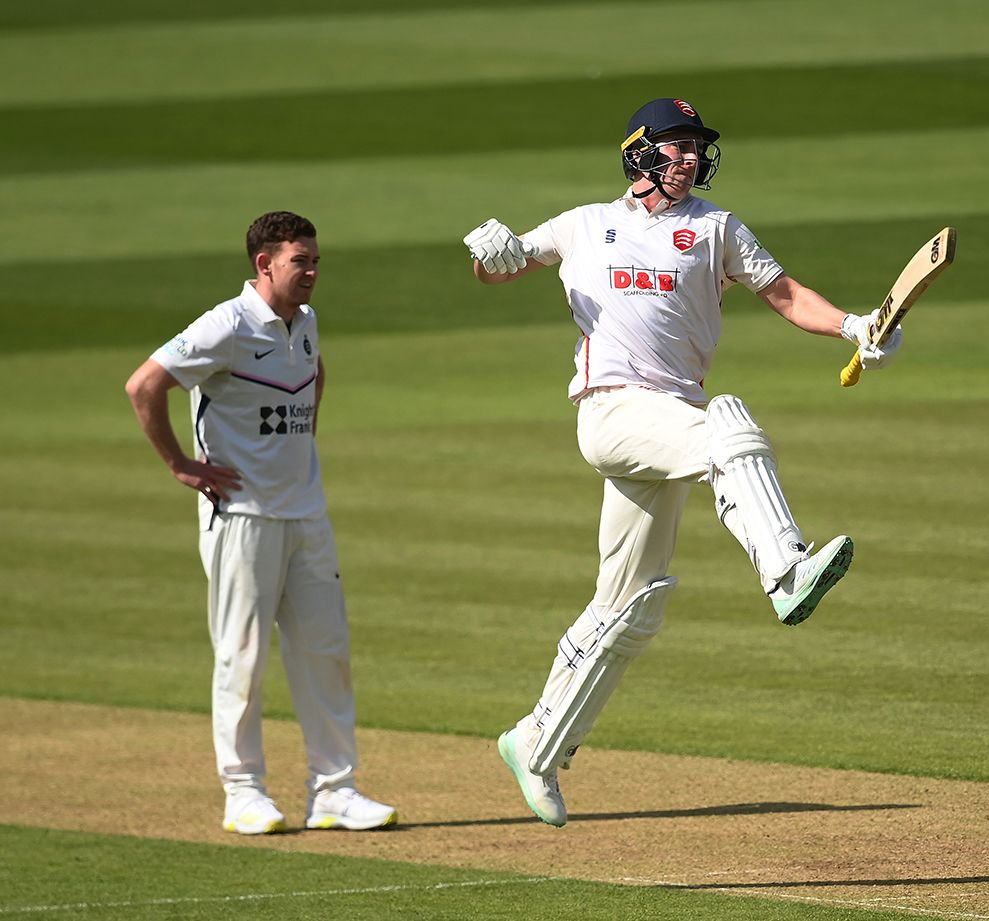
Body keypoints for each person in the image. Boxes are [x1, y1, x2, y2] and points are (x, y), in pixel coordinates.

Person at [462, 98, 903, 827]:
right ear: (639, 152)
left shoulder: (715, 228)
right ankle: (786, 570)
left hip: (665, 421)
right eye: (677, 146)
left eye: (697, 147)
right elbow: (503, 269)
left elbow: (786, 294)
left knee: (631, 607)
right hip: (612, 412)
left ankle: (536, 741)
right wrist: (493, 254)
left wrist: (856, 325)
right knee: (727, 426)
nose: (691, 158)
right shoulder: (582, 224)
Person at [124, 211, 398, 835]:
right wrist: (180, 464)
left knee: (326, 653)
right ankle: (242, 793)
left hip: (306, 512)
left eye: (316, 261)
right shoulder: (226, 325)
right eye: (301, 261)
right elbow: (144, 386)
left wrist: (299, 451)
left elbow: (314, 374)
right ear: (264, 264)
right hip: (242, 515)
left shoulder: (306, 322)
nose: (312, 272)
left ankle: (334, 791)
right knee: (241, 657)